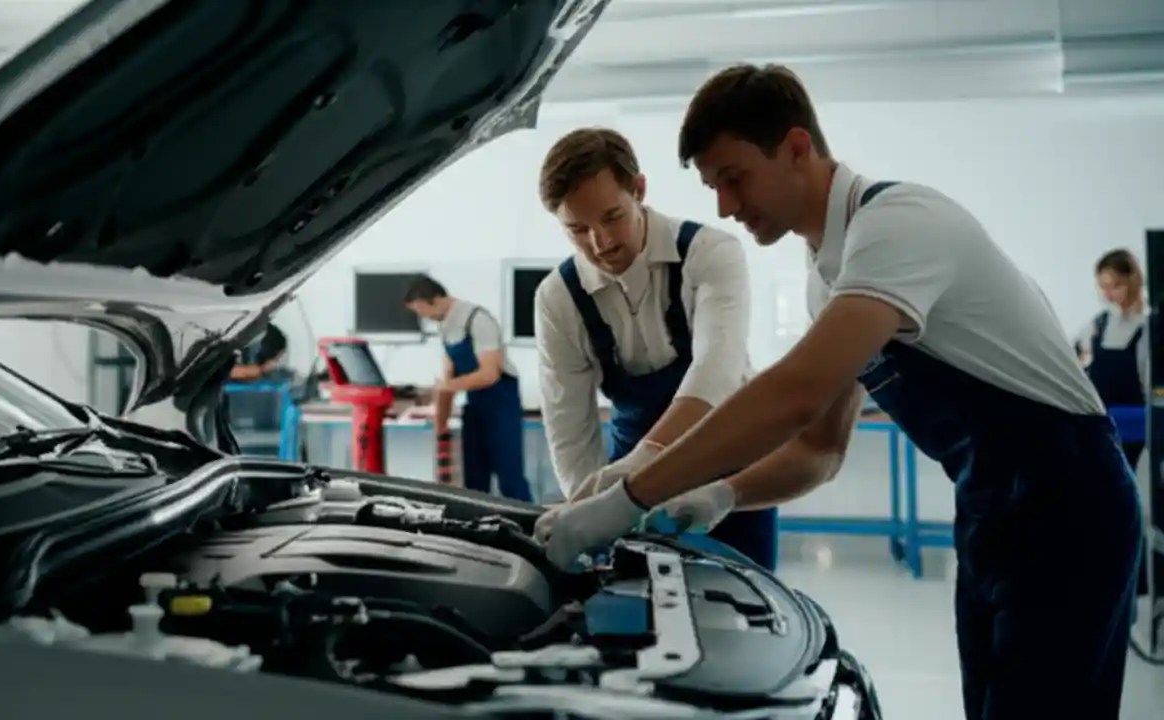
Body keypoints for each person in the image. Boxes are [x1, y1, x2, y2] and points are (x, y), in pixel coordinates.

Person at [533, 63, 1143, 719]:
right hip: (993, 508)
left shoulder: (898, 223)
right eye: (712, 188)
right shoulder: (828, 278)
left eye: (734, 178)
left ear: (797, 146)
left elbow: (795, 393)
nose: (726, 208)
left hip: (1070, 499)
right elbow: (820, 450)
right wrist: (721, 494)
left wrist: (624, 498)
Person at [532, 127, 777, 570]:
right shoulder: (557, 298)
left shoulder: (711, 253)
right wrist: (590, 510)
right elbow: (571, 429)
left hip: (728, 469)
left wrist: (631, 476)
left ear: (639, 190)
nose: (600, 243)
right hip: (623, 478)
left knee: (745, 607)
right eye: (578, 230)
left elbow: (715, 375)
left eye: (612, 217)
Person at [405, 275, 532, 502]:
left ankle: (530, 532)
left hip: (500, 402)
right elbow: (448, 378)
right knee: (474, 481)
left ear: (435, 299)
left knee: (509, 478)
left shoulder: (478, 319)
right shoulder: (444, 327)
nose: (422, 317)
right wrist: (440, 424)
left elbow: (489, 374)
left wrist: (446, 386)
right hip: (475, 406)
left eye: (420, 310)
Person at [1074, 248, 1148, 467]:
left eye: (1114, 287)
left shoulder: (1148, 328)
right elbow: (1074, 358)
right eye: (1103, 287)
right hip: (1099, 423)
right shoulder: (1098, 325)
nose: (1107, 295)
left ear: (1132, 281)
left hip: (1134, 427)